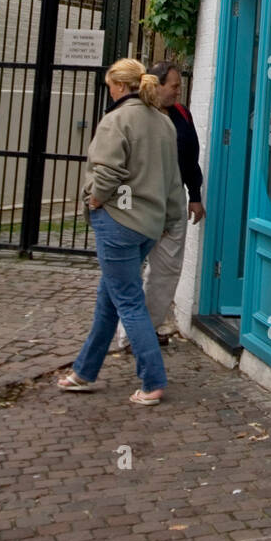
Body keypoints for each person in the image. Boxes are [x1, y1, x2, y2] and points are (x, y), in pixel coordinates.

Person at [57, 58, 182, 406]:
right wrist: (170, 220)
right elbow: (174, 179)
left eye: (110, 84)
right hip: (149, 225)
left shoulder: (116, 120)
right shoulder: (163, 122)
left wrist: (94, 199)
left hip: (118, 223)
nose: (108, 90)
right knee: (110, 299)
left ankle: (153, 381)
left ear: (120, 86)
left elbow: (108, 173)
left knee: (126, 300)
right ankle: (84, 371)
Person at [114, 61, 205, 352]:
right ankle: (128, 334)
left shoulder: (182, 114)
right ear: (158, 84)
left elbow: (191, 157)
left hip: (173, 199)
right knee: (126, 272)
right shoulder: (137, 114)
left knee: (166, 270)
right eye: (175, 86)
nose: (179, 91)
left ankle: (144, 331)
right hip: (139, 200)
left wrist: (195, 195)